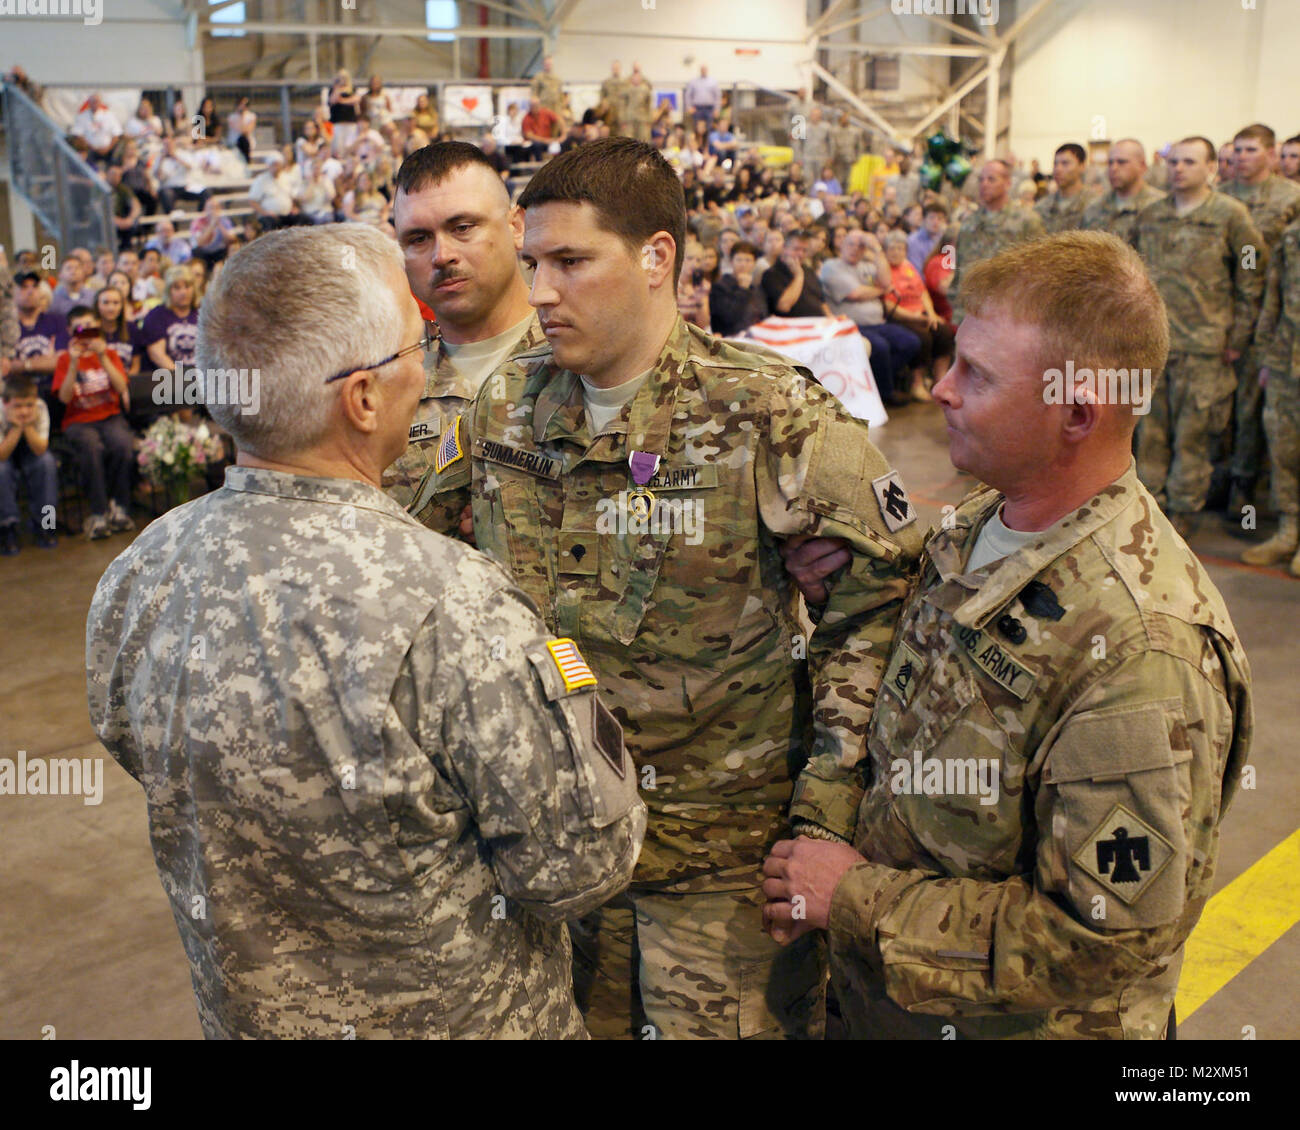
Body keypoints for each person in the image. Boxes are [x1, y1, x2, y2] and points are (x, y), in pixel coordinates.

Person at [416, 136, 923, 1040]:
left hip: (720, 872)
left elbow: (876, 612)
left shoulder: (768, 412)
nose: (539, 292)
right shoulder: (507, 406)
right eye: (533, 262)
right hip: (560, 849)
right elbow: (423, 560)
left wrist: (826, 812)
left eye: (571, 261)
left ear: (657, 257)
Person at [85, 223, 645, 1039]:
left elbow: (136, 744)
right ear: (364, 399)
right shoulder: (451, 601)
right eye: (415, 340)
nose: (428, 356)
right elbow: (578, 864)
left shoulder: (140, 572)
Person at [765, 231, 1253, 1040]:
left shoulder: (1143, 650)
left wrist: (852, 898)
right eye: (954, 360)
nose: (944, 391)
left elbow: (1100, 934)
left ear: (1078, 413)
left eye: (978, 376)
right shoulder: (995, 516)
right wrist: (850, 581)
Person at [387, 142, 547, 522]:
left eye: (462, 228)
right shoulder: (385, 387)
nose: (441, 255)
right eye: (418, 239)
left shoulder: (585, 360)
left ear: (516, 227)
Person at [1131, 137, 1264, 536]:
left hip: (1207, 347)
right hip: (1155, 345)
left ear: (1210, 168)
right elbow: (1132, 272)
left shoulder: (1230, 215)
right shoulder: (1150, 215)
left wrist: (1238, 336)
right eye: (1173, 162)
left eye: (1189, 162)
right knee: (1148, 434)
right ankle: (1151, 504)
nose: (1178, 169)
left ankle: (1185, 510)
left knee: (1194, 435)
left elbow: (1252, 273)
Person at [1220, 124, 1300, 519]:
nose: (1241, 157)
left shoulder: (1291, 197)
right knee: (1223, 405)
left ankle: (1247, 489)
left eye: (1250, 150)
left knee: (1255, 409)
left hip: (1270, 316)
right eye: (1237, 150)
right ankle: (1219, 481)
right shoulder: (1221, 197)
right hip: (1221, 312)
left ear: (1271, 154)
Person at [1242, 212, 1300, 570]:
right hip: (1285, 360)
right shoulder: (1292, 237)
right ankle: (1288, 529)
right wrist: (1265, 355)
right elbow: (1272, 300)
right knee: (1283, 449)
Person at [52, 305, 133, 539]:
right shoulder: (65, 359)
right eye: (80, 328)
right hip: (78, 420)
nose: (86, 332)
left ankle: (120, 507)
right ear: (70, 330)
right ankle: (98, 512)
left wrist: (102, 356)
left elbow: (120, 387)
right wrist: (75, 364)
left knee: (122, 444)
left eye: (91, 327)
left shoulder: (110, 354)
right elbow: (65, 398)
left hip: (109, 416)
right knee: (91, 447)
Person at [819, 229, 922, 406]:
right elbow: (856, 293)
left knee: (911, 342)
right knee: (880, 347)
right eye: (850, 244)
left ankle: (876, 383)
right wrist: (883, 291)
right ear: (842, 246)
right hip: (851, 325)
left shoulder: (866, 265)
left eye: (860, 246)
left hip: (877, 323)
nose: (854, 249)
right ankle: (886, 393)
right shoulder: (831, 266)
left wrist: (877, 250)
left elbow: (886, 280)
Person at [948, 158, 1046, 322]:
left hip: (1009, 316)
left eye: (991, 179)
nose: (984, 184)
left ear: (1007, 183)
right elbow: (959, 271)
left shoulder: (1026, 221)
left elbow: (1039, 271)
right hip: (970, 314)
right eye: (981, 179)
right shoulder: (969, 224)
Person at [883, 230, 953, 391]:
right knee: (924, 337)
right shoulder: (884, 270)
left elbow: (923, 292)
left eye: (900, 249)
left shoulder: (908, 266)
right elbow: (888, 306)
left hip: (920, 314)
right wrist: (917, 318)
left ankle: (940, 380)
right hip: (901, 317)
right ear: (885, 251)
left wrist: (931, 314)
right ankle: (917, 384)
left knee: (943, 331)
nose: (896, 252)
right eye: (892, 249)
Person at [0, 374, 59, 554]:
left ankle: (45, 524)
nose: (25, 411)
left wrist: (26, 426)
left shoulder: (40, 407)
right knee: (1, 470)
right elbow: (2, 455)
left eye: (29, 405)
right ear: (5, 402)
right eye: (18, 406)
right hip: (5, 449)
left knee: (47, 463)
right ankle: (8, 527)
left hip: (32, 448)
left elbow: (40, 448)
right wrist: (17, 427)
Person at [1080, 138, 1165, 245]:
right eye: (1110, 163)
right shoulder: (1094, 208)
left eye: (1122, 162)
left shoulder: (1160, 208)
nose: (1113, 168)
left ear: (1142, 166)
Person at [141, 267, 200, 375]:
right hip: (167, 379)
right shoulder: (156, 315)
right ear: (168, 291)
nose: (183, 292)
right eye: (177, 288)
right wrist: (183, 378)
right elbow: (157, 355)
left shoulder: (203, 312)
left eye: (187, 287)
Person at [709, 239, 767, 337]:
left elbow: (763, 314)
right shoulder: (720, 286)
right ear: (732, 261)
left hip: (756, 337)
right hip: (730, 338)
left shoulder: (756, 287)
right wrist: (743, 290)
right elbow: (728, 317)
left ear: (754, 263)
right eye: (739, 260)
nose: (743, 264)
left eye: (748, 260)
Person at [1035, 142, 1096, 233]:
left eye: (1065, 163)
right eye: (1055, 164)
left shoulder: (1095, 205)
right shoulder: (1042, 207)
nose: (1058, 169)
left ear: (1082, 166)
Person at [906, 201, 948, 272]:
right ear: (923, 219)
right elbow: (916, 271)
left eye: (940, 218)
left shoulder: (944, 239)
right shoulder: (913, 241)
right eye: (932, 218)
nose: (936, 222)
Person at [683, 65, 720, 131]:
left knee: (709, 127)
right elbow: (688, 95)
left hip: (709, 109)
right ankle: (697, 141)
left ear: (707, 70)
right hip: (697, 108)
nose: (704, 71)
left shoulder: (713, 82)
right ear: (700, 70)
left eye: (705, 69)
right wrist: (689, 107)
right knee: (697, 128)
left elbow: (717, 96)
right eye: (702, 69)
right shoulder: (693, 81)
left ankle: (707, 141)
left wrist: (717, 109)